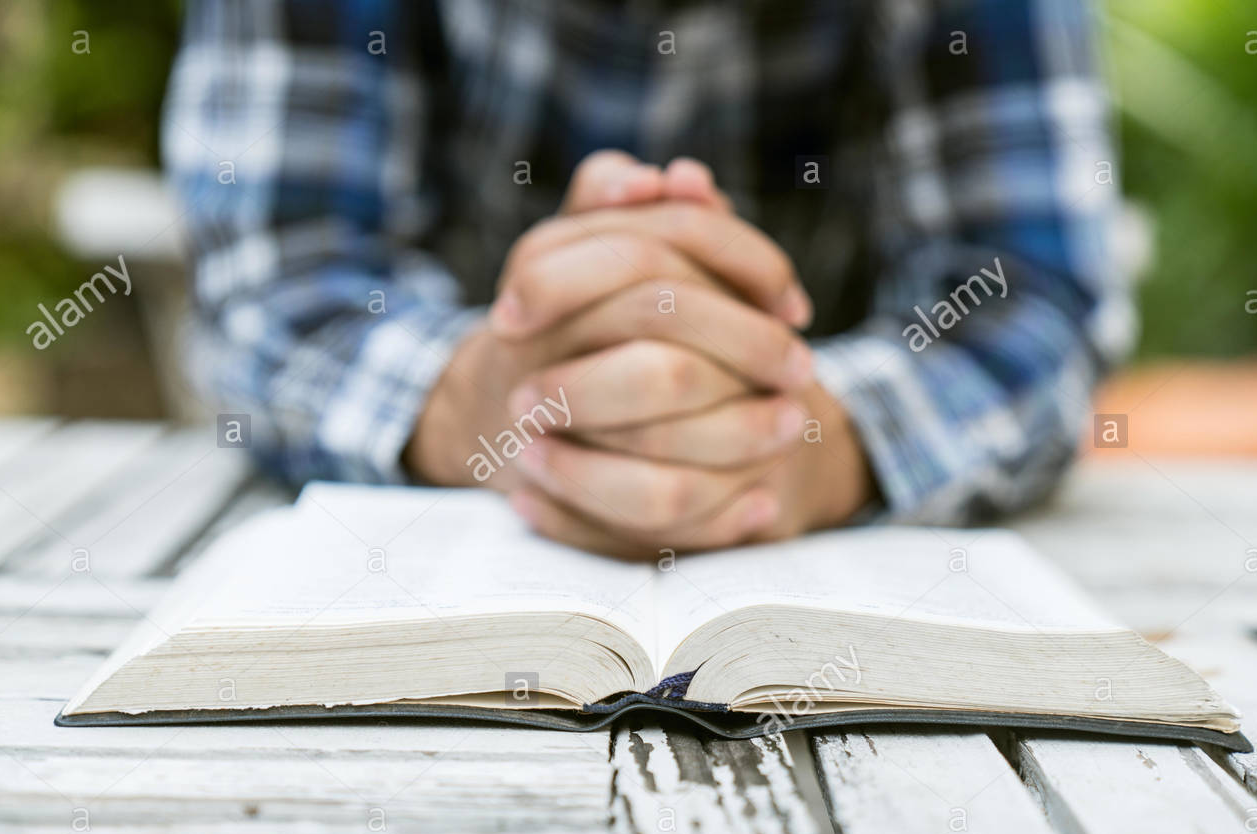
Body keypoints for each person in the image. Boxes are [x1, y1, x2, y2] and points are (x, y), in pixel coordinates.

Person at [164, 0, 1132, 558]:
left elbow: (1028, 293)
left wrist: (806, 440)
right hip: (471, 543)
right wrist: (488, 399)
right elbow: (276, 279)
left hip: (808, 562)